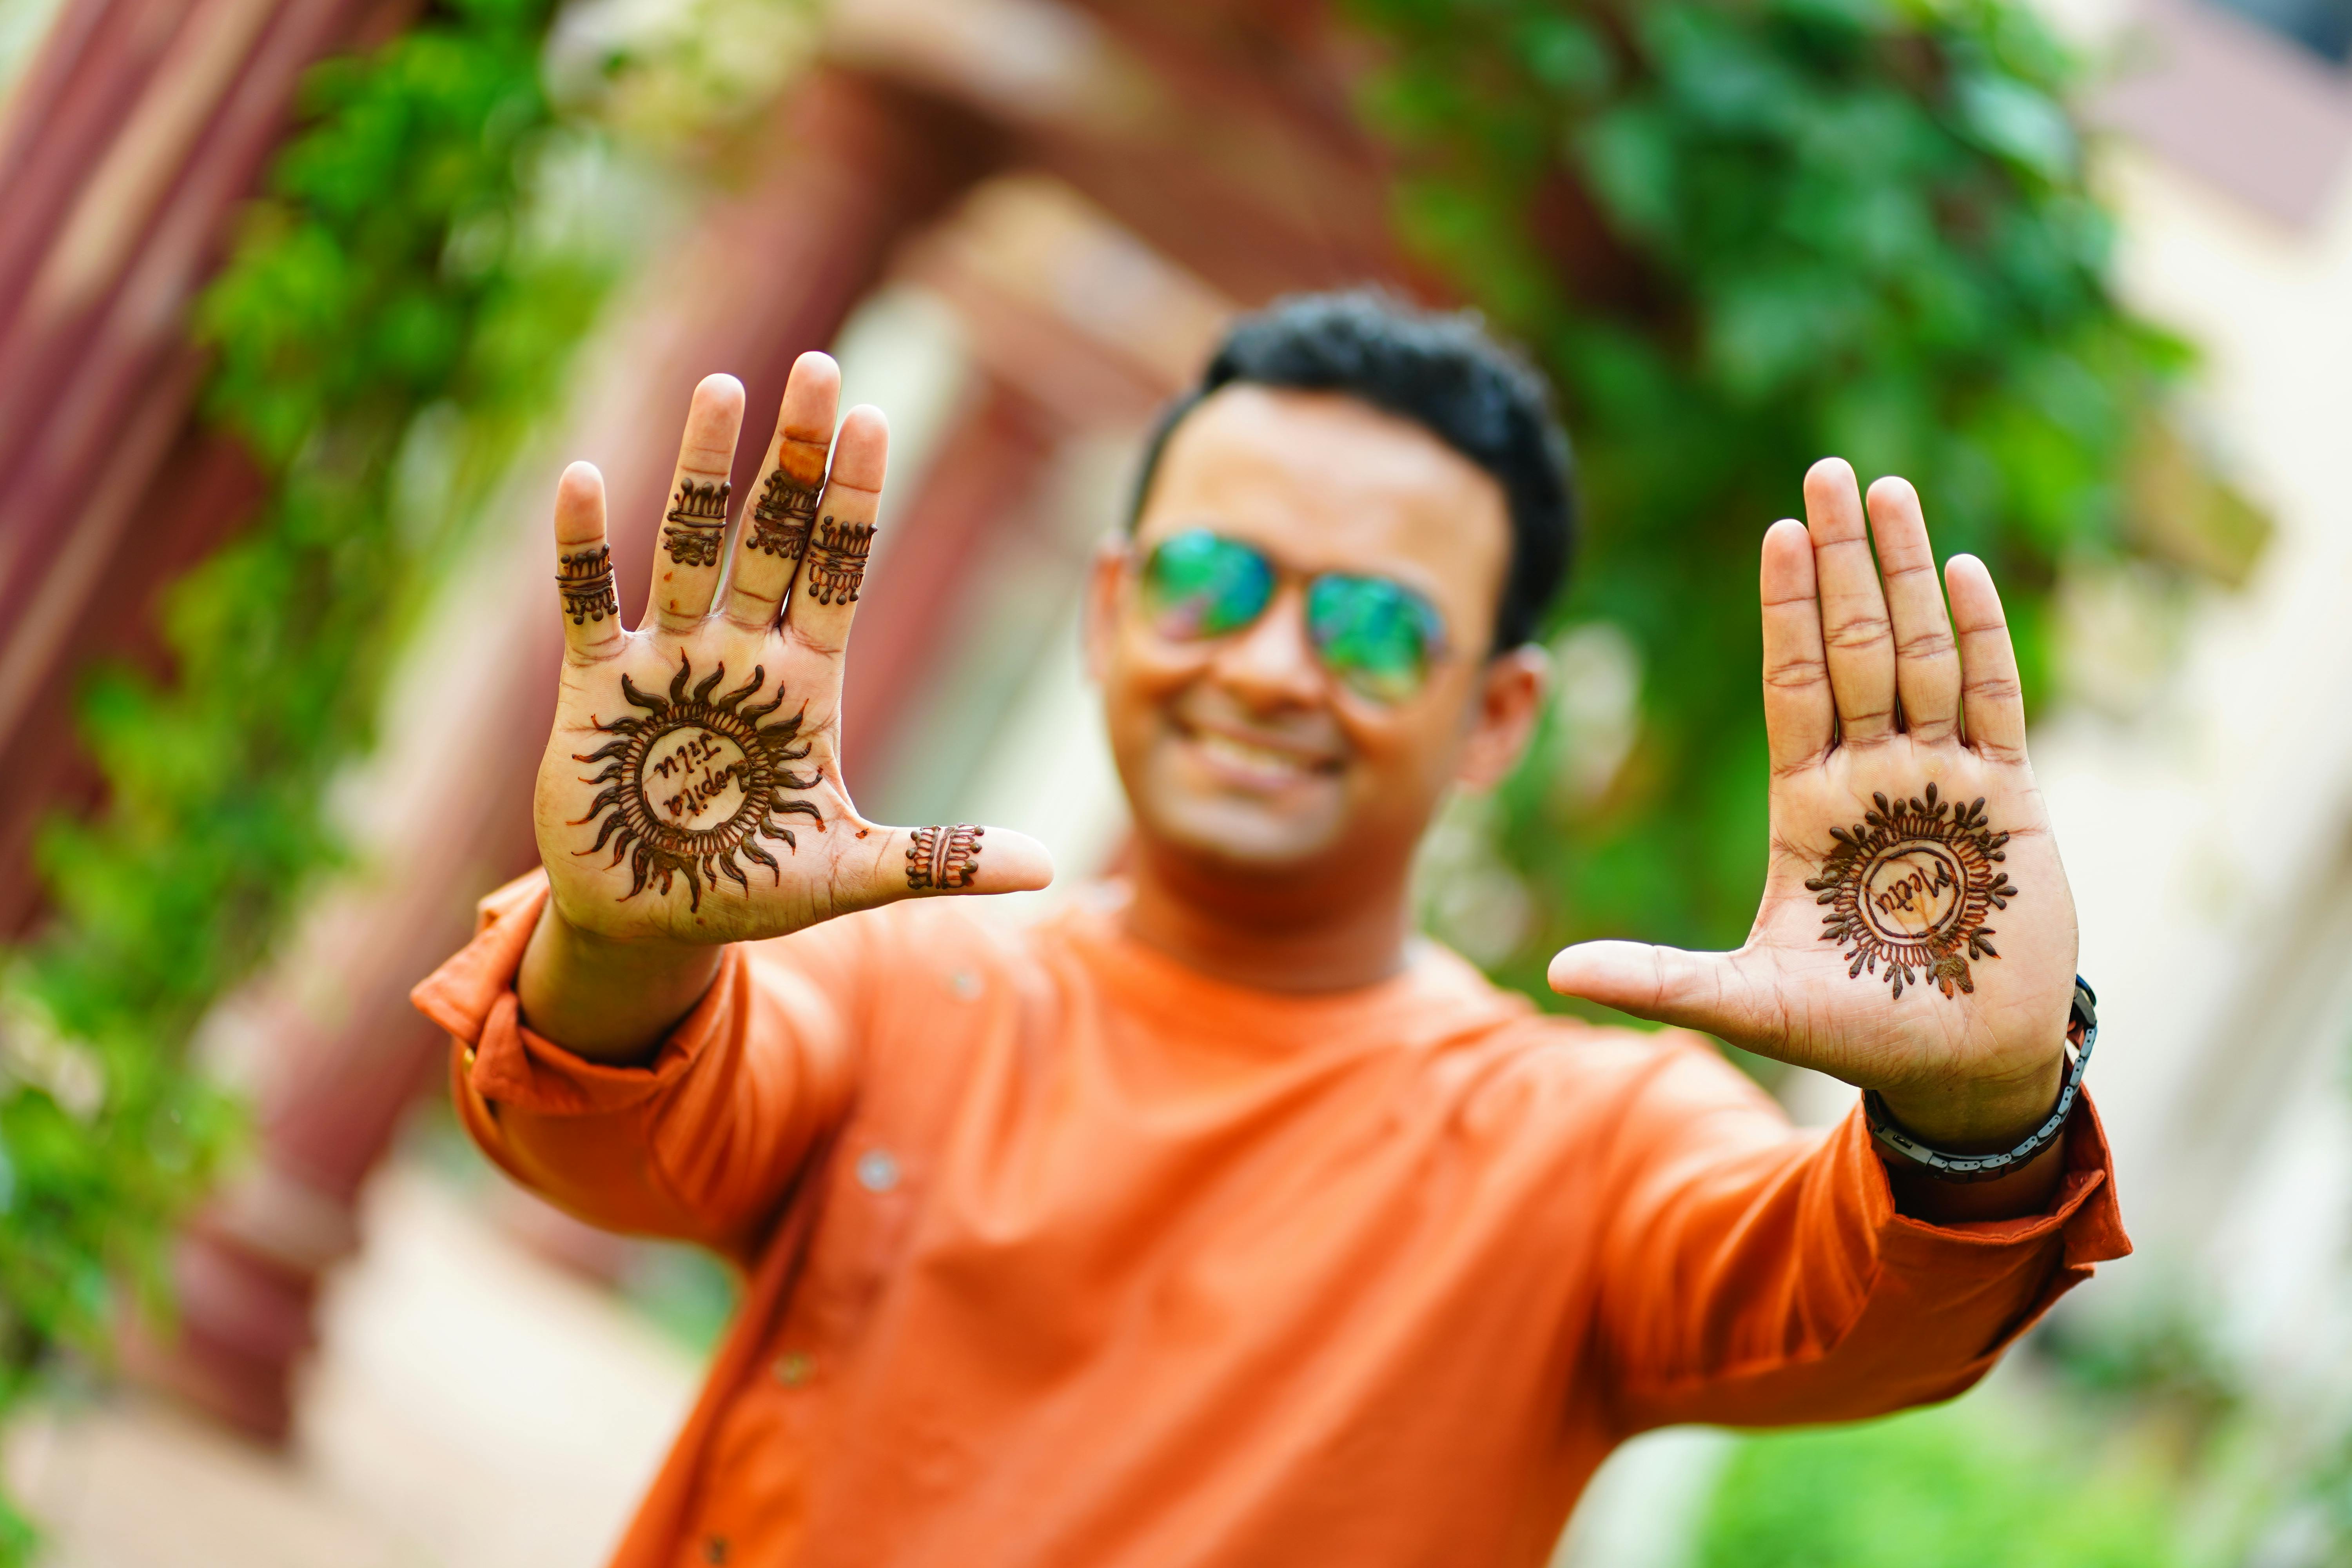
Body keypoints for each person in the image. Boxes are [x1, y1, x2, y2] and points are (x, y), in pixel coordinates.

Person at [414, 292, 2125, 1568]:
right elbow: (613, 1135)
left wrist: (1981, 1115)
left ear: (1496, 718)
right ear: (1110, 610)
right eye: (1215, 583)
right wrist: (630, 937)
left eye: (1378, 628)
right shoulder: (909, 981)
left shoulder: (1579, 1140)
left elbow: (1851, 1305)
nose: (1273, 665)